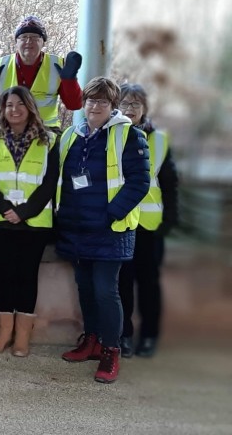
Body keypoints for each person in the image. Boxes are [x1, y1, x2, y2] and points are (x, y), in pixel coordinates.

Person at [57, 77, 149, 384]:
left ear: (112, 106)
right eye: (91, 101)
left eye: (102, 102)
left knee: (105, 290)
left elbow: (139, 182)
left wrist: (112, 214)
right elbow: (64, 180)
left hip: (111, 228)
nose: (95, 106)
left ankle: (111, 349)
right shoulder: (72, 134)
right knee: (84, 286)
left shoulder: (129, 136)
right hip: (77, 227)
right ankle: (92, 340)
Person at [0, 86, 59, 358]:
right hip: (1, 220)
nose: (14, 110)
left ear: (30, 107)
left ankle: (22, 336)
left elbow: (50, 182)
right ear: (3, 109)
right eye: (9, 105)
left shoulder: (49, 140)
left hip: (35, 222)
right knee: (5, 276)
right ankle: (3, 332)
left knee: (27, 276)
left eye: (20, 104)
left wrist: (25, 211)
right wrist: (5, 208)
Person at [117, 83, 178, 358]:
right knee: (123, 282)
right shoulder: (112, 136)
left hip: (150, 227)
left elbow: (169, 184)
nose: (129, 110)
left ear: (144, 108)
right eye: (125, 104)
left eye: (135, 104)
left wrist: (169, 221)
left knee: (149, 283)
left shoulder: (159, 140)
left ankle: (150, 336)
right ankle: (125, 335)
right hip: (121, 223)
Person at [0, 15, 83, 131]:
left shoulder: (57, 65)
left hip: (46, 132)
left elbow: (74, 105)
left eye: (35, 37)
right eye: (23, 37)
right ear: (16, 42)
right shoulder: (1, 65)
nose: (29, 41)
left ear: (43, 42)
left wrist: (69, 80)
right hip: (8, 132)